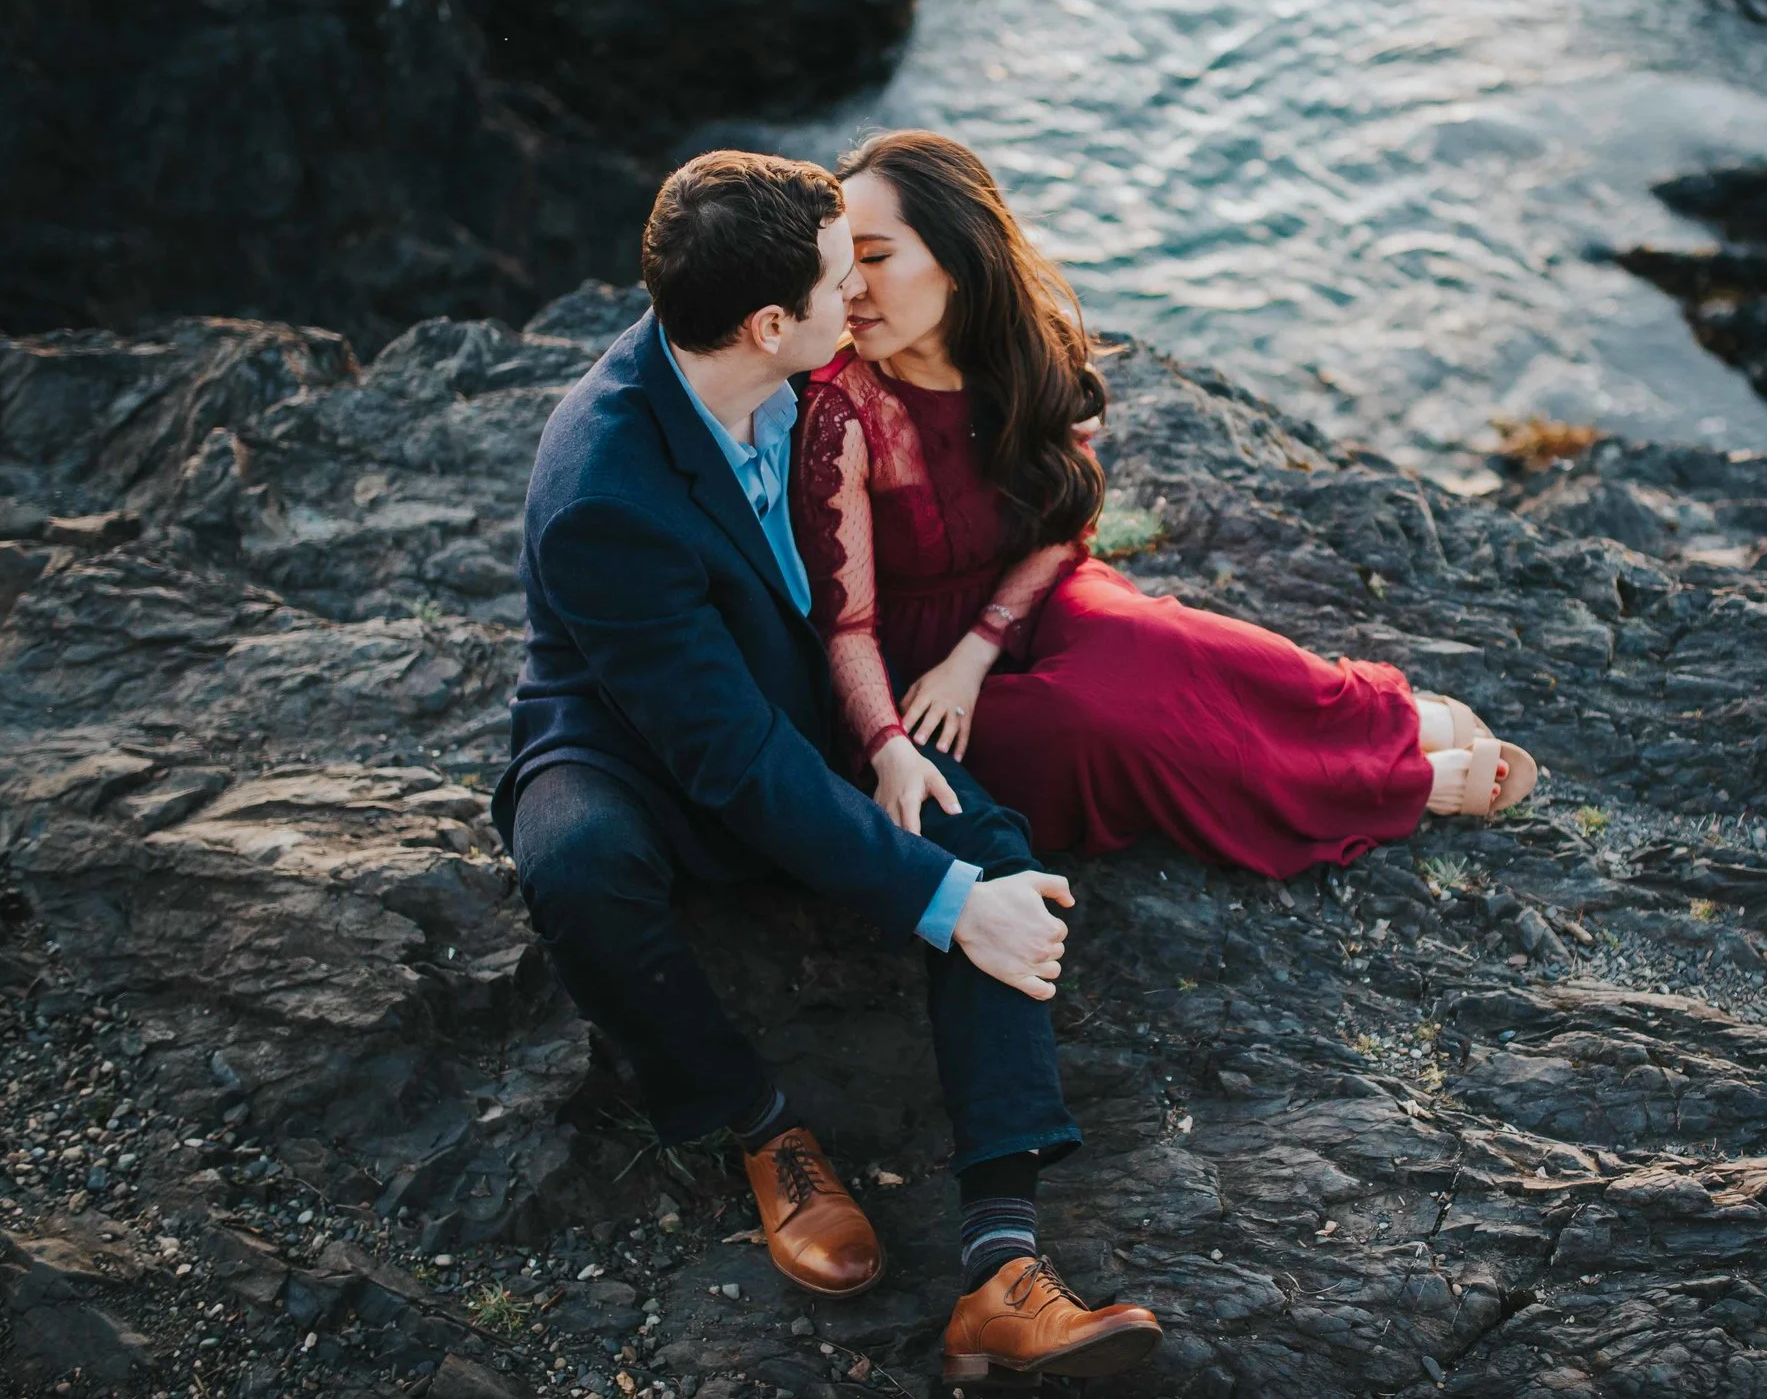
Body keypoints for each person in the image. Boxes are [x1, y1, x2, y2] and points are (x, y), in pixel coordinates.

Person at [492, 150, 1161, 1384]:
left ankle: (1003, 1268)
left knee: (988, 846)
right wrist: (942, 906)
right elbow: (731, 759)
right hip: (635, 749)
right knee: (578, 865)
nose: (857, 290)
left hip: (801, 710)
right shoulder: (607, 491)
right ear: (768, 323)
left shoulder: (788, 373)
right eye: (837, 273)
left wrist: (906, 752)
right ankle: (760, 1126)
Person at [792, 130, 1537, 876]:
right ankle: (1387, 786)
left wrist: (982, 643)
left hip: (1023, 600)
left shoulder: (1014, 355)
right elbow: (845, 624)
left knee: (1156, 643)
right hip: (913, 685)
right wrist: (895, 736)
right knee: (1090, 720)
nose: (850, 289)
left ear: (958, 258)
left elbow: (1062, 521)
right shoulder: (846, 414)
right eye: (840, 263)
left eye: (876, 256)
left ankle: (1381, 716)